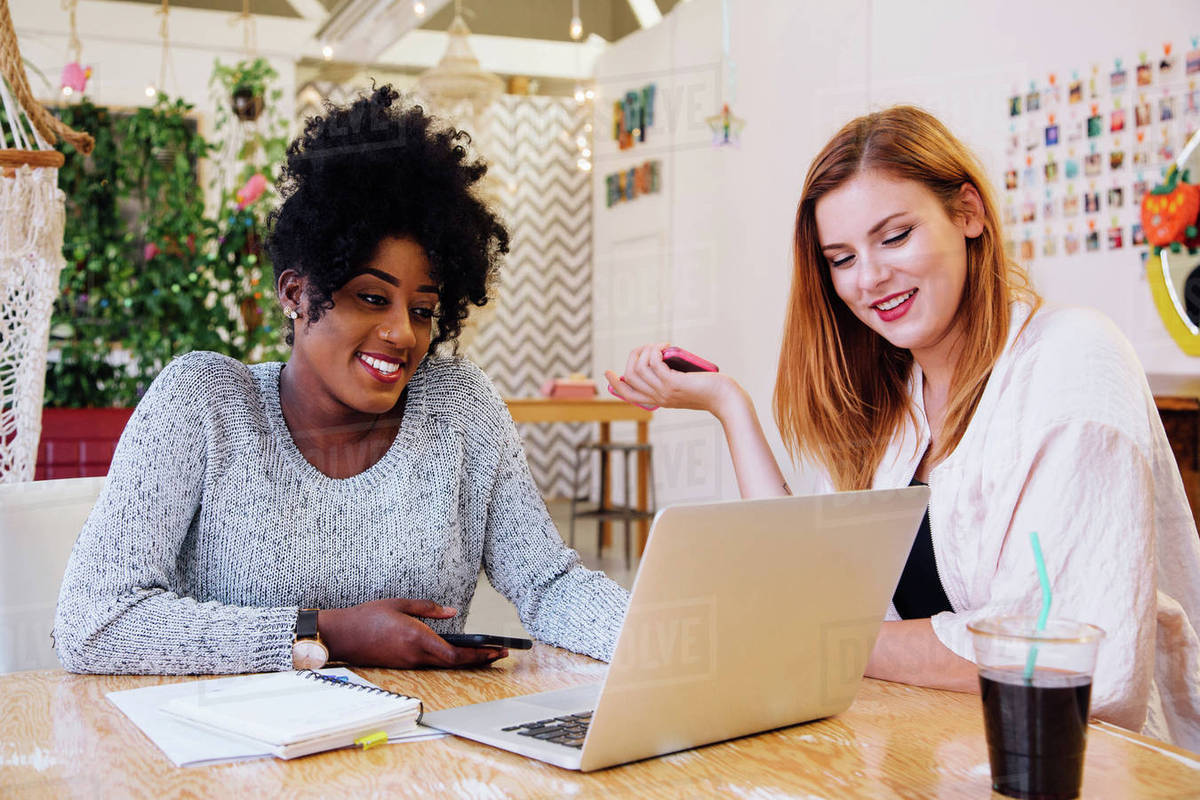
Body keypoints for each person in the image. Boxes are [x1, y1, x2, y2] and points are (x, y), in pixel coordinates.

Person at [607, 106, 1200, 750]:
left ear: (968, 213)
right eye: (841, 258)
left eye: (894, 237)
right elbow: (810, 586)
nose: (868, 279)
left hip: (1084, 764)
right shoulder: (904, 402)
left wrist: (822, 636)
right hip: (942, 747)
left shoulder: (1073, 359)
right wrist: (727, 403)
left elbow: (1064, 652)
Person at [53, 86, 629, 675]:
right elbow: (93, 623)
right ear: (296, 294)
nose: (403, 333)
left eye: (423, 309)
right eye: (372, 297)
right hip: (237, 757)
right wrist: (324, 634)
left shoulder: (458, 410)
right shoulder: (205, 403)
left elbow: (550, 584)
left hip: (420, 749)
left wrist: (663, 636)